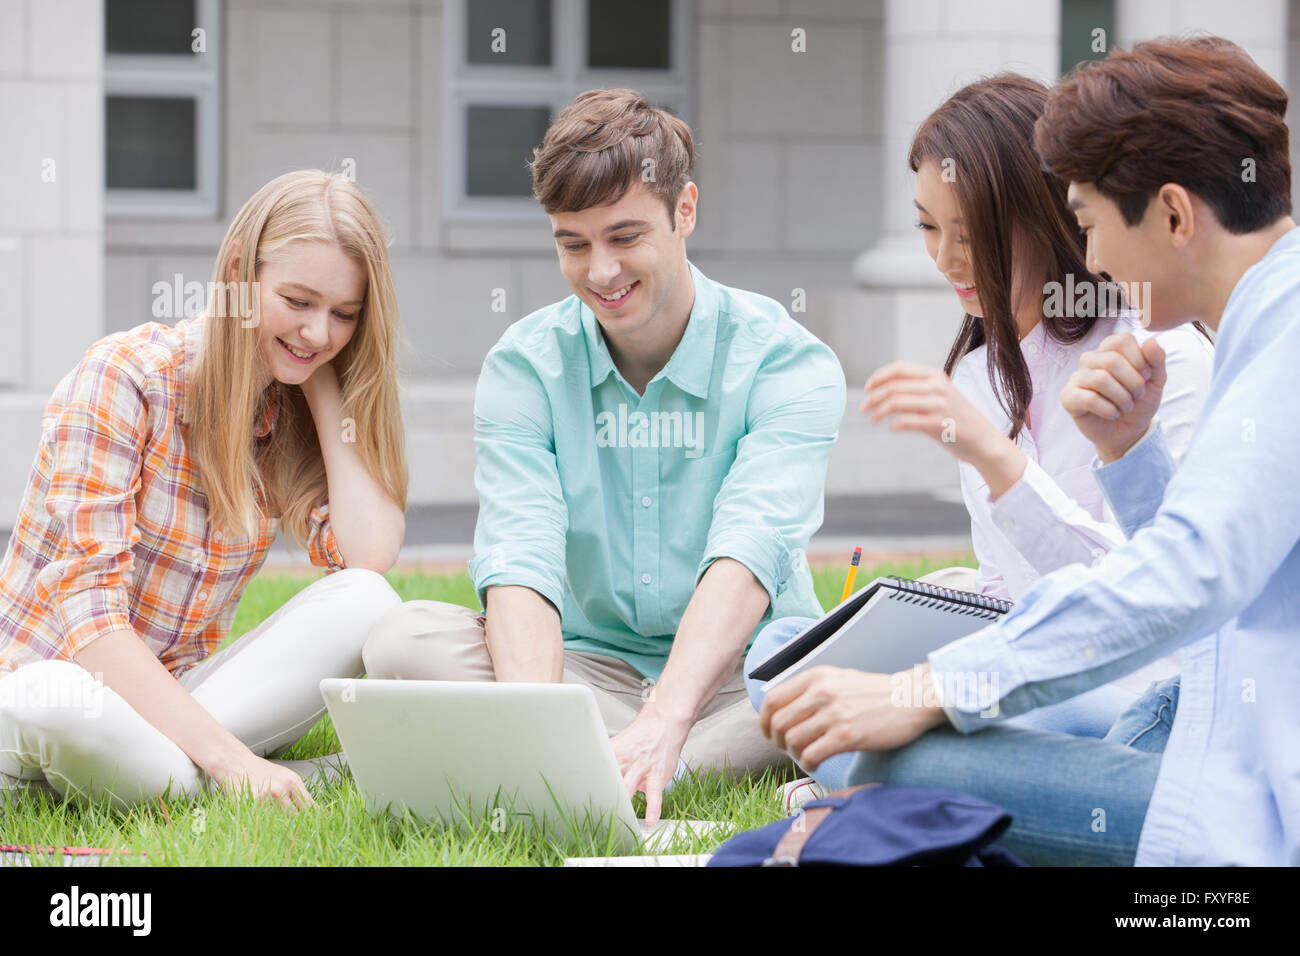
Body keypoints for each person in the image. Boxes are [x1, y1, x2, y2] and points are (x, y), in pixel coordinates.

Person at [760, 35, 1299, 866]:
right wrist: (1130, 456)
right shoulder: (1266, 325)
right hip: (1209, 729)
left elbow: (1191, 574)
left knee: (901, 762)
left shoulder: (1280, 341)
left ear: (1174, 215)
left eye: (1087, 222)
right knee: (844, 705)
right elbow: (1221, 581)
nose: (1090, 261)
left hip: (1249, 799)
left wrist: (930, 687)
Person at [363, 89, 845, 825]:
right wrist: (538, 732)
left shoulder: (784, 362)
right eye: (573, 243)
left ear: (685, 211)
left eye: (625, 236)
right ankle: (617, 752)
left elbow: (750, 549)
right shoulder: (525, 365)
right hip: (585, 670)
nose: (601, 271)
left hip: (740, 670)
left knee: (834, 677)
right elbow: (520, 553)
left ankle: (658, 754)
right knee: (405, 641)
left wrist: (668, 716)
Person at [0, 170, 409, 811]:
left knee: (368, 598)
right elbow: (90, 620)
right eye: (298, 302)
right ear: (242, 275)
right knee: (52, 696)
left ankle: (175, 773)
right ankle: (255, 774)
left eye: (344, 314)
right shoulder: (125, 377)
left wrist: (324, 386)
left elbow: (368, 555)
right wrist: (232, 757)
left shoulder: (289, 405)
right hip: (62, 689)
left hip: (179, 701)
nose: (318, 332)